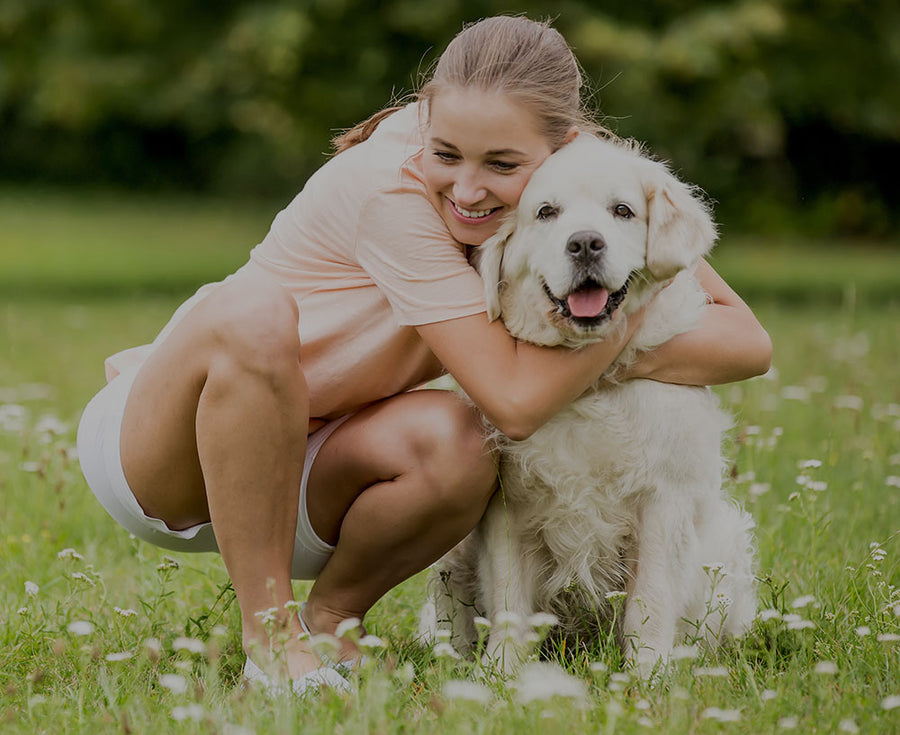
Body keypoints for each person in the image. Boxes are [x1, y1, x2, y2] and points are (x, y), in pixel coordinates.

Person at [76, 15, 771, 693]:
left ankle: (330, 623)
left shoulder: (583, 186)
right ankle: (272, 644)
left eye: (502, 165)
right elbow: (517, 403)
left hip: (312, 468)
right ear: (425, 122)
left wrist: (625, 283)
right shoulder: (391, 192)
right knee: (252, 312)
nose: (466, 189)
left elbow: (746, 340)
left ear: (561, 147)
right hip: (171, 460)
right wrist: (630, 297)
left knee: (461, 440)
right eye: (446, 155)